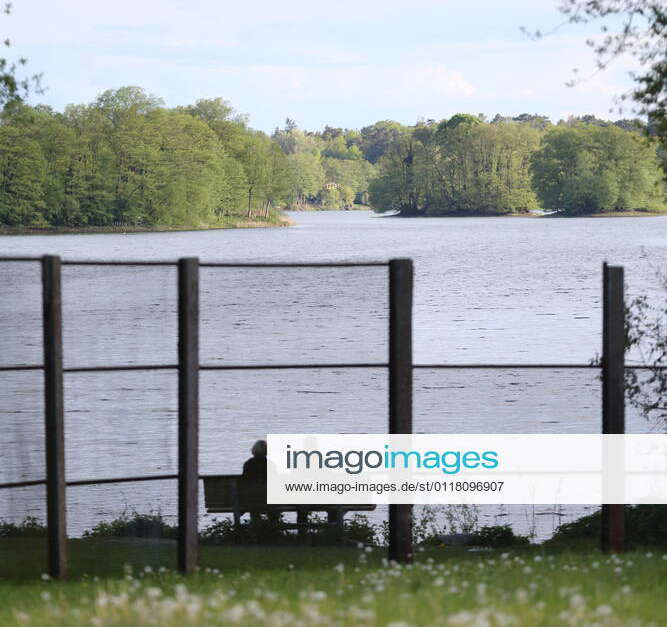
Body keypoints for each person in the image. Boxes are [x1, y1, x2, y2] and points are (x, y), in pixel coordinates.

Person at [239, 440, 278, 523]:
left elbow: (244, 482)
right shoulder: (271, 464)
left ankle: (256, 528)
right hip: (269, 500)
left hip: (252, 499)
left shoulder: (248, 464)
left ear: (253, 450)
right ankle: (274, 528)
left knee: (253, 505)